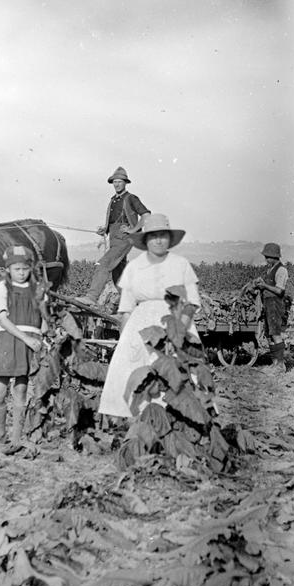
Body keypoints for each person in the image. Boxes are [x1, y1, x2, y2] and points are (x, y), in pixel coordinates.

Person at [99, 213, 200, 419]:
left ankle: (180, 421)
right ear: (145, 240)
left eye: (163, 235)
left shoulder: (180, 265)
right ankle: (134, 419)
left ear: (169, 239)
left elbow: (191, 303)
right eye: (153, 236)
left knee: (176, 371)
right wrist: (125, 339)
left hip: (174, 319)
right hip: (141, 323)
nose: (158, 240)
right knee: (133, 371)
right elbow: (126, 308)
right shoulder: (134, 268)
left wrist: (179, 332)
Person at [0, 244, 45, 446]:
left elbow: (44, 315)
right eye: (17, 269)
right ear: (8, 269)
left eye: (25, 269)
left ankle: (16, 436)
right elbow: (3, 319)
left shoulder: (37, 289)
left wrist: (44, 331)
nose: (22, 273)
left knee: (22, 389)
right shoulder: (2, 288)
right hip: (8, 339)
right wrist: (27, 338)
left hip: (30, 342)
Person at [81, 166, 151, 306]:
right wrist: (104, 229)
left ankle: (91, 297)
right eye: (114, 182)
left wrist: (133, 230)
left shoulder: (131, 198)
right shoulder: (113, 200)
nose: (116, 184)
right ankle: (131, 304)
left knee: (103, 264)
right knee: (118, 275)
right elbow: (114, 221)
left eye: (119, 181)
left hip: (124, 238)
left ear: (125, 183)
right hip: (113, 237)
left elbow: (146, 215)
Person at [252, 242, 290, 366]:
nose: (266, 259)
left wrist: (264, 285)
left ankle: (280, 364)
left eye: (267, 257)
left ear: (274, 257)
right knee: (269, 334)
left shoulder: (281, 270)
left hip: (275, 303)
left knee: (275, 334)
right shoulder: (271, 269)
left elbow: (279, 290)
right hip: (268, 303)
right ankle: (275, 362)